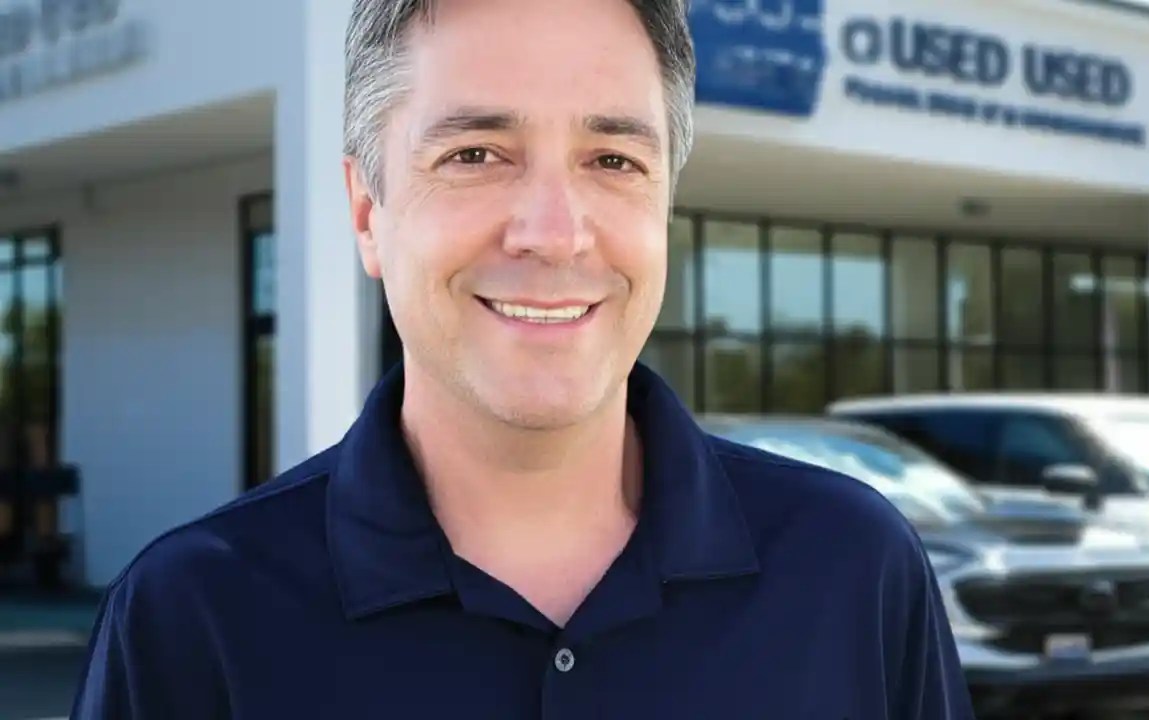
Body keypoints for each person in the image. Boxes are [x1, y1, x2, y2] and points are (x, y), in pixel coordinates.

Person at [70, 0, 973, 717]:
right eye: (475, 153)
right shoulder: (192, 618)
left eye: (613, 160)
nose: (554, 233)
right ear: (364, 212)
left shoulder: (853, 571)